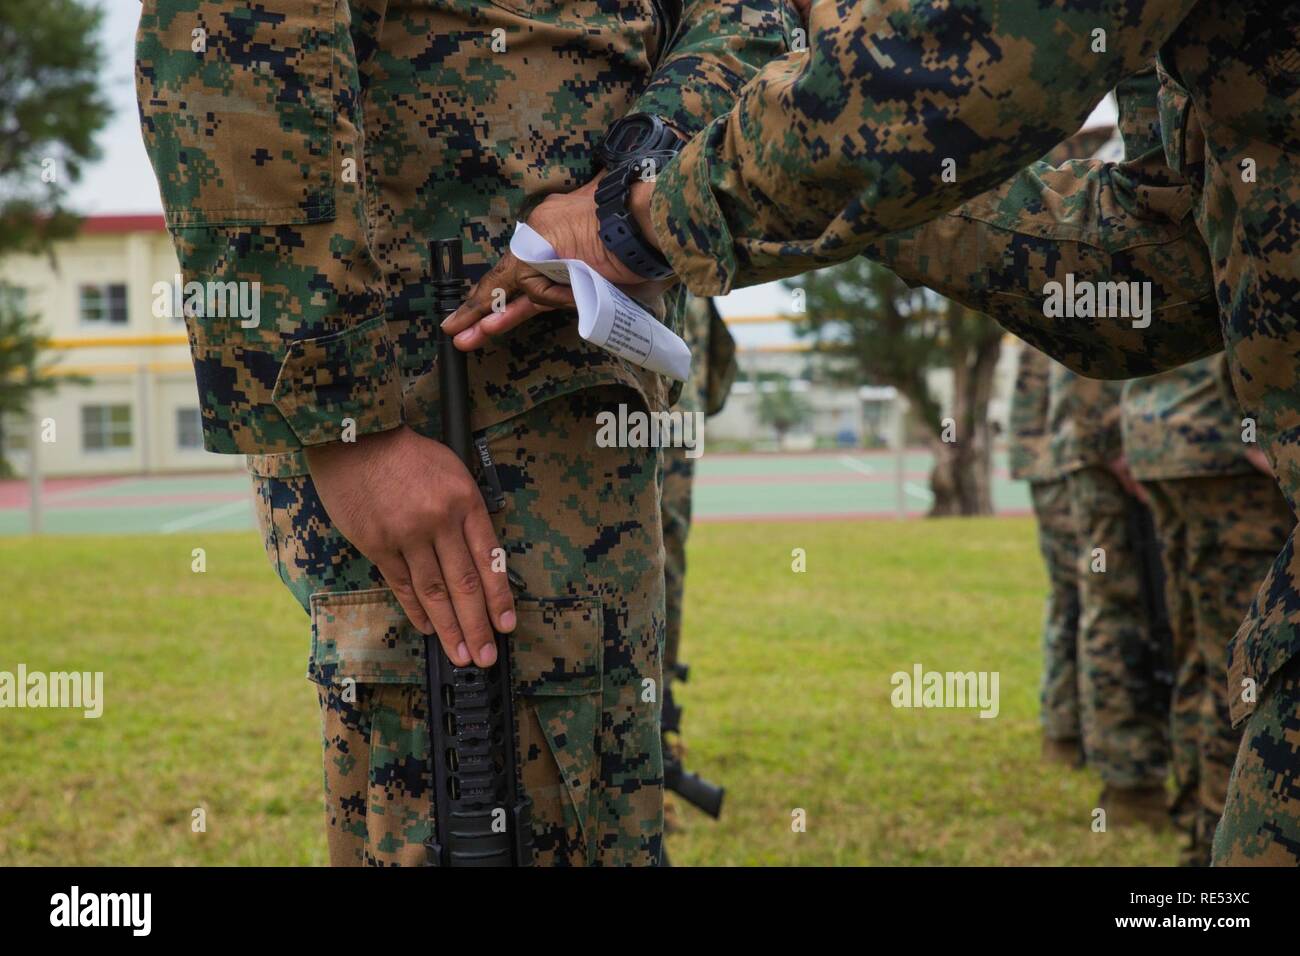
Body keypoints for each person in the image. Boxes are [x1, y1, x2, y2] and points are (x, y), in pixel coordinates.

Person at [135, 0, 792, 866]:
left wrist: (642, 177)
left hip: (588, 397)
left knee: (592, 813)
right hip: (427, 412)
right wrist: (345, 426)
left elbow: (748, 14)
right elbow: (230, 31)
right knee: (467, 812)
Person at [1122, 355, 1293, 864]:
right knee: (1250, 670)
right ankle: (1221, 843)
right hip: (1229, 455)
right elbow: (1250, 317)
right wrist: (1260, 435)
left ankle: (1199, 824)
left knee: (1200, 655)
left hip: (1169, 443)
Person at [1009, 345, 1084, 767]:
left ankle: (1076, 728)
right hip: (1056, 460)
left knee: (1082, 599)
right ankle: (1063, 732)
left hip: (1065, 455)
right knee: (1074, 597)